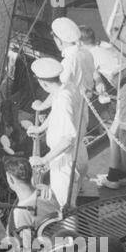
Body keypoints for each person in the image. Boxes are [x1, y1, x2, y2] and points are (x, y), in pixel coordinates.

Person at [26, 57, 84, 211]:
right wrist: (40, 129)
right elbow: (55, 112)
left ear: (42, 83)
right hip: (77, 153)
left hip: (66, 160)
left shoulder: (62, 100)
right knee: (68, 200)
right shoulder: (68, 87)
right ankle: (67, 234)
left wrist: (44, 160)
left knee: (66, 208)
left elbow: (67, 139)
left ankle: (70, 235)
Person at [52, 17, 95, 101]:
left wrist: (40, 106)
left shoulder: (67, 63)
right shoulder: (86, 52)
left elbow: (61, 90)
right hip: (91, 97)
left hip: (80, 104)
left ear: (58, 41)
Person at [79, 25, 124, 98]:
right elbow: (95, 69)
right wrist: (98, 81)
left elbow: (88, 86)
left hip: (125, 84)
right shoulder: (102, 44)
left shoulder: (90, 56)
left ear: (80, 43)